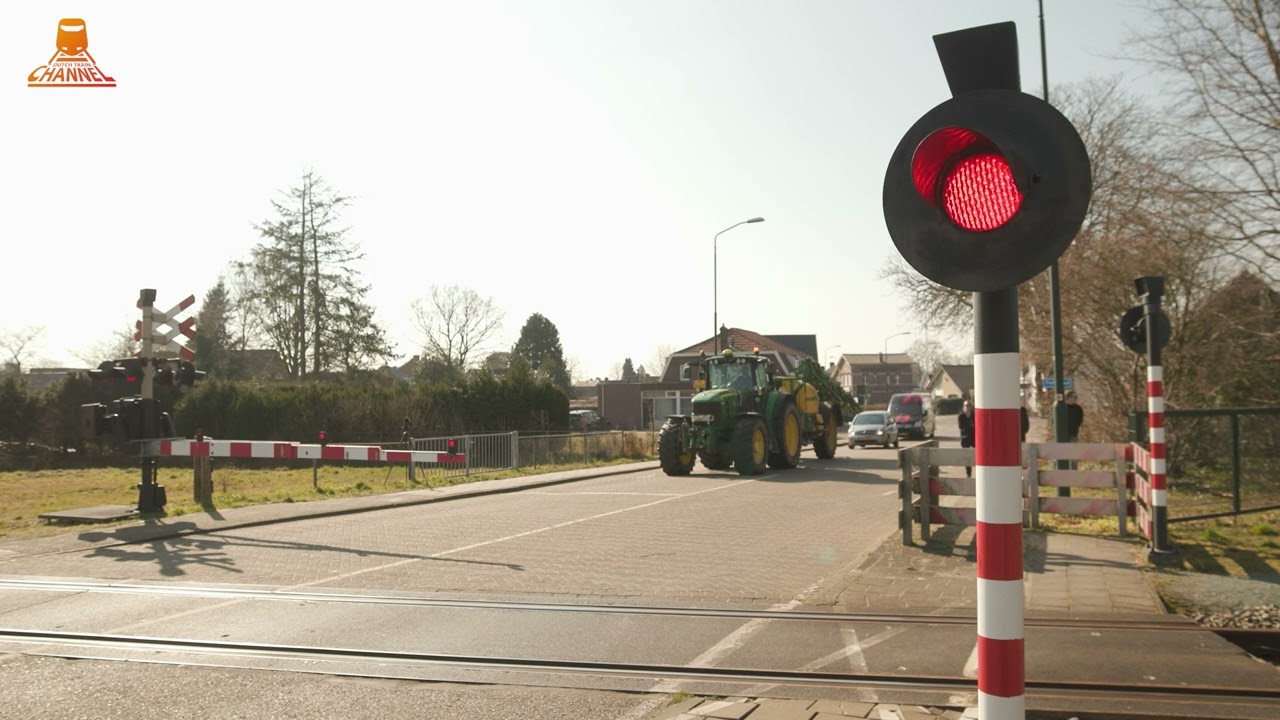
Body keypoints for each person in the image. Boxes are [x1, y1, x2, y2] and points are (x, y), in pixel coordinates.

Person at [958, 399, 975, 477]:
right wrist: (970, 425)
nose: (967, 407)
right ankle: (968, 473)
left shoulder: (974, 415)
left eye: (968, 405)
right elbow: (961, 427)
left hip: (974, 437)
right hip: (965, 438)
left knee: (977, 454)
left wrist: (970, 426)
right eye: (966, 406)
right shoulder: (961, 416)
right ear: (963, 407)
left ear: (971, 407)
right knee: (966, 456)